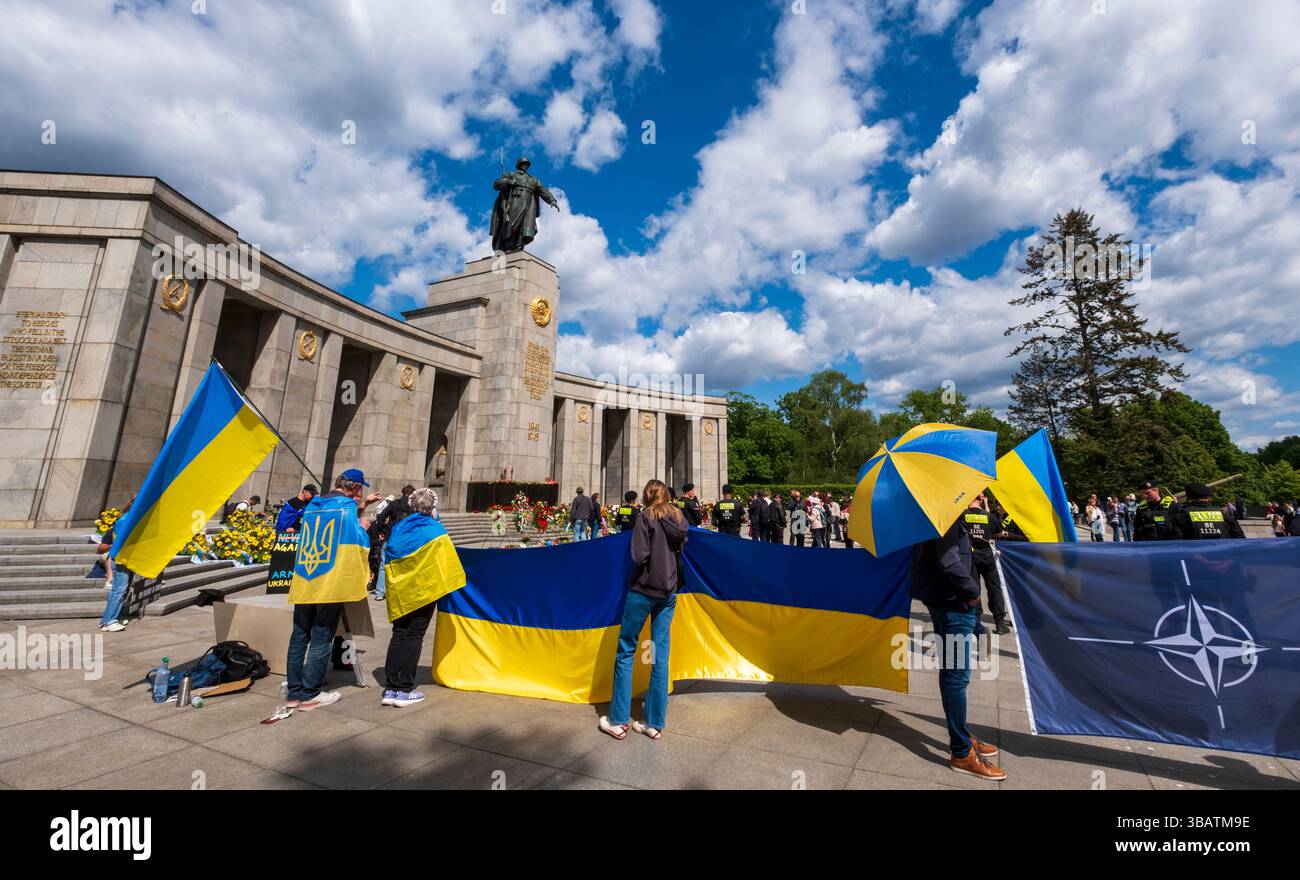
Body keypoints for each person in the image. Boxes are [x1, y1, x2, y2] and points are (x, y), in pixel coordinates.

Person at [910, 518, 1006, 781]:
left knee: (952, 675)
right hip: (955, 604)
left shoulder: (935, 517)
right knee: (956, 677)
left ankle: (963, 736)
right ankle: (962, 753)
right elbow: (949, 560)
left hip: (946, 602)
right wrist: (973, 591)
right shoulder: (945, 519)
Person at [286, 468, 381, 712]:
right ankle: (310, 693)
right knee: (321, 636)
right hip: (329, 580)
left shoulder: (313, 505)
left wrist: (359, 507)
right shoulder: (345, 507)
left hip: (306, 577)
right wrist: (364, 525)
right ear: (356, 488)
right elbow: (357, 540)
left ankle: (294, 692)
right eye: (361, 489)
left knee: (299, 636)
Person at [599, 479, 688, 741]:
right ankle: (654, 723)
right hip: (668, 593)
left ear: (648, 496)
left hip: (643, 590)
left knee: (626, 650)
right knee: (659, 654)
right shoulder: (679, 518)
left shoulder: (645, 517)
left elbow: (639, 555)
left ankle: (618, 720)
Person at [380, 488, 465, 707]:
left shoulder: (398, 528)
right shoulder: (435, 530)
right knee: (414, 637)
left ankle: (390, 688)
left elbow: (391, 555)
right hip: (423, 591)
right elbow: (449, 562)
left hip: (401, 591)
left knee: (398, 634)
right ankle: (405, 688)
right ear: (432, 508)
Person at [963, 494, 1011, 634]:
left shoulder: (962, 516)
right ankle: (1000, 623)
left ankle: (976, 621)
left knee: (974, 587)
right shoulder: (989, 516)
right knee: (994, 588)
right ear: (980, 499)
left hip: (970, 555)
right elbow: (999, 533)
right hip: (987, 555)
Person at [97, 499, 134, 633]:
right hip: (121, 559)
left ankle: (112, 618)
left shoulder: (128, 520)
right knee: (119, 590)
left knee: (123, 589)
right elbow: (115, 543)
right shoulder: (124, 521)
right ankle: (109, 621)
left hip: (128, 559)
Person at [1173, 482, 1246, 539]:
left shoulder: (1182, 515)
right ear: (1208, 497)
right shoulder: (1224, 515)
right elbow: (1240, 539)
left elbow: (1176, 542)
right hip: (1222, 556)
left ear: (1188, 497)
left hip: (1194, 556)